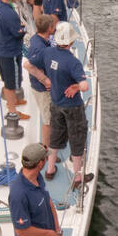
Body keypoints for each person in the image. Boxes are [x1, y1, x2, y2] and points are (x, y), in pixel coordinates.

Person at [45, 21, 92, 188]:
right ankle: (78, 177)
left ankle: (50, 170)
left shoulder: (48, 53)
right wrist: (76, 86)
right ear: (71, 42)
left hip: (56, 103)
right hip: (72, 107)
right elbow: (85, 86)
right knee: (77, 139)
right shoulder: (73, 62)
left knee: (55, 137)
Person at [8, 143, 62, 236]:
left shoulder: (38, 177)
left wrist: (57, 232)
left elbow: (48, 201)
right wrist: (49, 234)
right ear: (40, 164)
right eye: (45, 158)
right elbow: (21, 231)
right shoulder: (18, 195)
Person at [0, 0, 30, 122]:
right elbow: (18, 33)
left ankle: (13, 100)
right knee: (10, 83)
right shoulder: (9, 14)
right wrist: (24, 28)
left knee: (9, 80)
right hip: (10, 53)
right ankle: (13, 110)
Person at [23, 14, 57, 153]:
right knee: (47, 121)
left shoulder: (37, 39)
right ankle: (46, 150)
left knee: (48, 117)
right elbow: (28, 65)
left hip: (40, 87)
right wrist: (45, 80)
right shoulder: (40, 48)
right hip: (42, 90)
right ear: (49, 28)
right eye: (53, 26)